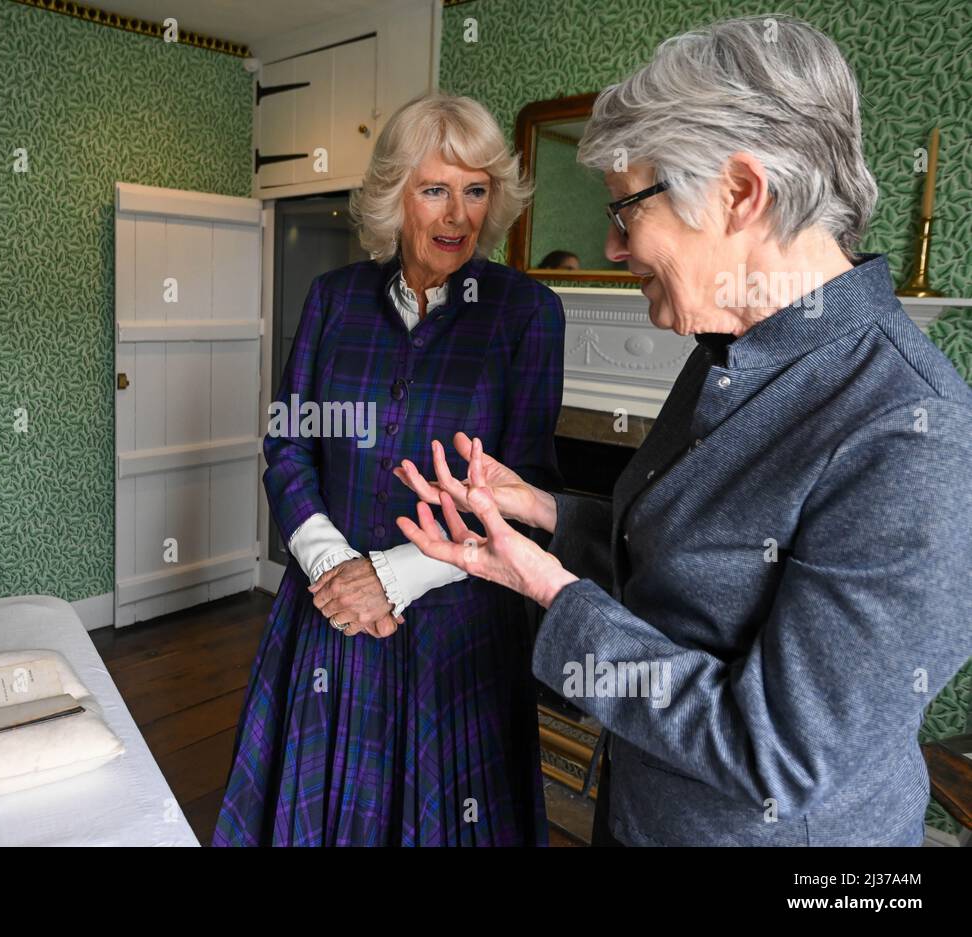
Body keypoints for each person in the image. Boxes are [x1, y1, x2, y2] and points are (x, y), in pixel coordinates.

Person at [394, 15, 972, 846]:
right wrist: (546, 512)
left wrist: (552, 592)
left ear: (740, 193)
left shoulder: (916, 434)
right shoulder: (727, 350)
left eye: (627, 208)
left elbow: (777, 751)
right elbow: (688, 569)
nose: (610, 245)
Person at [215, 93, 565, 845]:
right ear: (394, 193)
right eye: (435, 188)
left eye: (476, 191)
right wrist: (334, 567)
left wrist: (394, 575)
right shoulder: (334, 301)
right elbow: (289, 444)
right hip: (330, 611)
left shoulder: (526, 314)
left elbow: (528, 492)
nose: (458, 215)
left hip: (458, 631)